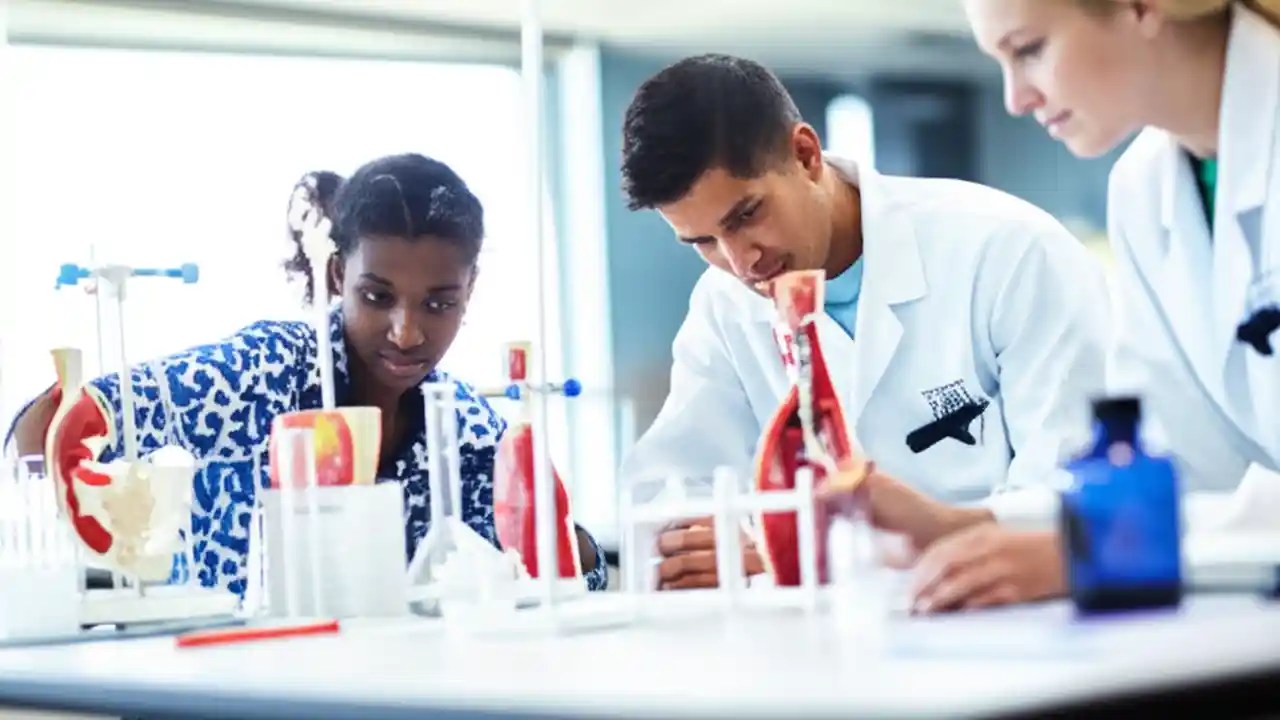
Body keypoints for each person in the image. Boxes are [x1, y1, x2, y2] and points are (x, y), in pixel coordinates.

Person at [616, 54, 1111, 595]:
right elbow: (673, 494)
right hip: (824, 648)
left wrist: (791, 550)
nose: (742, 263)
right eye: (703, 242)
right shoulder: (723, 307)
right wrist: (716, 538)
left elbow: (1076, 490)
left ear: (804, 155)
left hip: (1007, 620)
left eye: (746, 215)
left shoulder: (1008, 251)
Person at [4, 153, 608, 595]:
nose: (406, 331)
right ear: (340, 276)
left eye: (439, 303)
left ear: (470, 290)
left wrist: (557, 533)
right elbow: (40, 435)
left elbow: (570, 581)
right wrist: (124, 524)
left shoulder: (471, 433)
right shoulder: (260, 372)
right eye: (378, 297)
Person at [910, 0, 1280, 614]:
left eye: (1028, 50)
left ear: (1142, 7)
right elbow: (1179, 468)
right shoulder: (1143, 190)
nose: (1015, 98)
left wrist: (1100, 548)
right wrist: (962, 525)